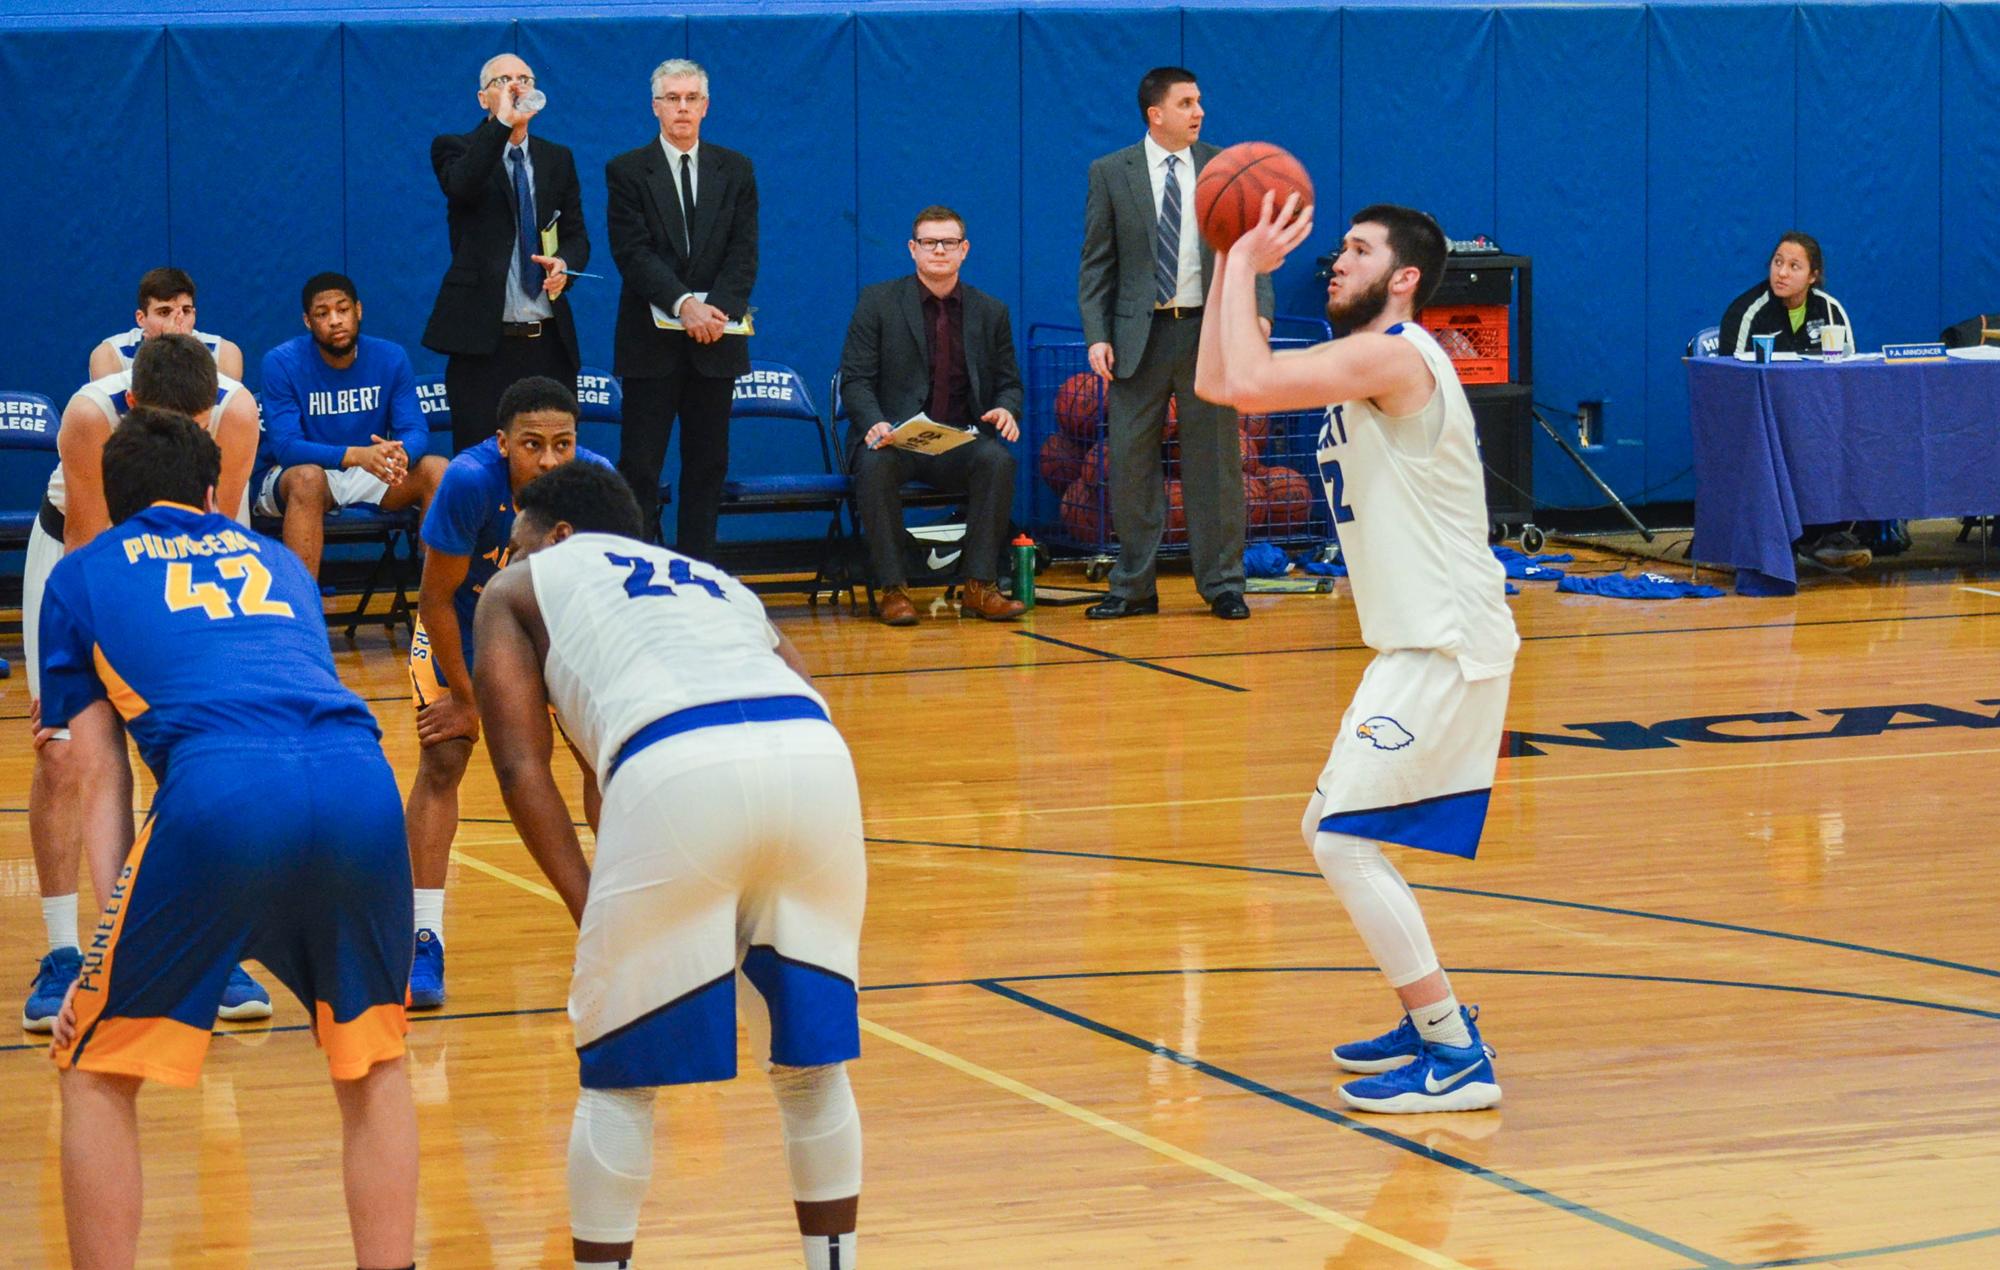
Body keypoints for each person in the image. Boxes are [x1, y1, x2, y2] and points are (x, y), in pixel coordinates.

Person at [42, 408, 416, 1269]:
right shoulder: (281, 562)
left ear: (109, 493)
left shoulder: (83, 574)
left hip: (223, 790)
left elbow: (95, 775)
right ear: (215, 493)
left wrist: (104, 949)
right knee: (372, 1061)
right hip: (360, 781)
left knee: (93, 1065)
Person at [473, 459, 863, 1270]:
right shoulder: (714, 580)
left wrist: (590, 903)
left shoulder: (517, 587)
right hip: (817, 757)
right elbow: (798, 679)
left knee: (619, 1078)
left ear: (556, 535)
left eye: (515, 542)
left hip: (676, 763)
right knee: (810, 1064)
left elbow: (518, 767)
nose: (508, 559)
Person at [1196, 195, 1516, 1113]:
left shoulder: (1394, 353)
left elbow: (1249, 382)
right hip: (1409, 639)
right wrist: (1231, 262)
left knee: (1342, 842)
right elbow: (1223, 382)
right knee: (1331, 833)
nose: (1336, 261)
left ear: (1403, 277)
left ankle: (1455, 1054)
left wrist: (1243, 261)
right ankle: (1430, 1026)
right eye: (1338, 248)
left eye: (1356, 250)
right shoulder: (1371, 357)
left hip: (1446, 639)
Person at [21, 334, 268, 1033]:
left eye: (191, 428)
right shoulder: (91, 415)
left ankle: (213, 948)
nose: (178, 440)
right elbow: (89, 552)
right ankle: (66, 950)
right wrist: (73, 675)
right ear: (135, 403)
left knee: (194, 747)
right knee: (66, 751)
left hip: (188, 564)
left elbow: (214, 529)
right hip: (81, 556)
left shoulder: (237, 412)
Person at [403, 376, 614, 1009]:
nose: (549, 460)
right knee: (444, 757)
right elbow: (436, 598)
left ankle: (622, 914)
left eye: (562, 444)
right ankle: (423, 936)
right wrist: (468, 700)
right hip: (464, 624)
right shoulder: (468, 482)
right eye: (532, 445)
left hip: (552, 628)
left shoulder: (595, 482)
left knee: (602, 760)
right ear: (502, 444)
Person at [1078, 66, 1273, 622]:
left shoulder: (1225, 167)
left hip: (1206, 333)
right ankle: (1133, 587)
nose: (1199, 111)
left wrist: (1258, 313)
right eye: (1187, 102)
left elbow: (1252, 247)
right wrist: (1097, 334)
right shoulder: (1110, 172)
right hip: (1137, 336)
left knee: (1215, 463)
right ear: (1155, 113)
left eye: (1200, 101)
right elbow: (1097, 263)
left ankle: (1223, 584)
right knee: (1131, 465)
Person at [839, 205, 1026, 625]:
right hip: (894, 439)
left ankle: (980, 586)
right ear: (912, 249)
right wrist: (873, 422)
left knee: (997, 461)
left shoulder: (990, 311)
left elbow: (1009, 382)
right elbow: (855, 380)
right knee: (874, 464)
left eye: (949, 243)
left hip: (957, 439)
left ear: (965, 250)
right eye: (929, 242)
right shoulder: (878, 302)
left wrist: (1006, 409)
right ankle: (893, 590)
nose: (939, 250)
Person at [605, 57, 759, 557]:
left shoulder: (735, 168)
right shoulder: (627, 170)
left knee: (708, 464)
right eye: (672, 99)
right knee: (641, 466)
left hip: (716, 339)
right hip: (651, 344)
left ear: (706, 106)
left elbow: (744, 250)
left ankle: (699, 573)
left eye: (692, 98)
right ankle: (636, 570)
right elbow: (632, 252)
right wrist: (683, 303)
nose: (683, 108)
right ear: (655, 107)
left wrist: (716, 311)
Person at [424, 52, 590, 456]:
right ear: (483, 98)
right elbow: (463, 186)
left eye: (524, 79)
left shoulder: (557, 158)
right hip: (484, 341)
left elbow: (576, 236)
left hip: (547, 340)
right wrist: (502, 124)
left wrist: (564, 265)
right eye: (503, 81)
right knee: (481, 461)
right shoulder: (454, 148)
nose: (516, 88)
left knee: (552, 463)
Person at [256, 272, 445, 579]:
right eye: (322, 313)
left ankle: (432, 610)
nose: (335, 320)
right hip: (300, 474)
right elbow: (287, 448)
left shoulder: (391, 357)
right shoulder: (280, 362)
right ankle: (303, 618)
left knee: (437, 470)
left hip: (369, 470)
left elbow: (415, 429)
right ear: (307, 321)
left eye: (342, 310)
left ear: (358, 310)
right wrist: (358, 455)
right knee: (307, 479)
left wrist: (401, 455)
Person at [1717, 232, 1870, 572]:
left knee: (1850, 440)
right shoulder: (1747, 312)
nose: (1782, 273)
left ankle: (1830, 535)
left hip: (1817, 422)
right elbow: (1728, 381)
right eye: (1777, 263)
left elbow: (1849, 376)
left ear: (1813, 276)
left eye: (1794, 266)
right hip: (1759, 424)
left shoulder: (1830, 311)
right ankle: (1779, 541)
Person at [88, 266, 244, 381]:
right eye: (164, 312)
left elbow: (215, 418)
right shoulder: (110, 355)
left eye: (186, 311)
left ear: (194, 314)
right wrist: (169, 350)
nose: (177, 320)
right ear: (141, 318)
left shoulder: (224, 354)